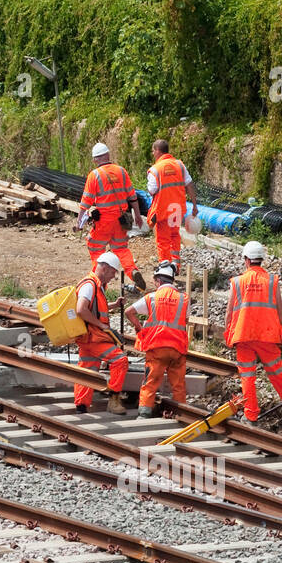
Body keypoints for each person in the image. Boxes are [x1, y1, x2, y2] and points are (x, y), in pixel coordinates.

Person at [224, 241, 282, 423]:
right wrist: (281, 333)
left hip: (243, 335)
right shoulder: (271, 281)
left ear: (246, 260)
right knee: (276, 371)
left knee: (247, 376)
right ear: (261, 260)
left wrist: (228, 335)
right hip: (267, 335)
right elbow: (280, 311)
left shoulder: (237, 282)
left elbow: (229, 312)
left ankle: (250, 415)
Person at [78, 142, 146, 291]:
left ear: (95, 159)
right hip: (121, 220)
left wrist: (79, 223)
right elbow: (132, 196)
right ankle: (132, 271)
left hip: (103, 221)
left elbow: (86, 202)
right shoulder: (121, 171)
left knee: (96, 248)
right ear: (108, 155)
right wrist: (138, 216)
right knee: (121, 249)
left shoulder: (94, 175)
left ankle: (99, 283)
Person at [126, 261, 190, 418]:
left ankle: (144, 413)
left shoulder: (152, 297)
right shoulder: (183, 299)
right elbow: (185, 321)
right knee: (179, 385)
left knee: (151, 381)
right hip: (177, 349)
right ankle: (181, 413)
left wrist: (139, 328)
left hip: (157, 347)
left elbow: (129, 312)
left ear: (159, 281)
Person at [73, 252, 130, 415]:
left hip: (88, 337)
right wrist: (100, 325)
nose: (113, 277)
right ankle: (114, 400)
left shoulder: (95, 285)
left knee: (88, 370)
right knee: (120, 360)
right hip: (94, 337)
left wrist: (113, 305)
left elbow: (95, 309)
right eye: (113, 273)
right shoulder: (90, 285)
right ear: (105, 268)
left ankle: (81, 407)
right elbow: (81, 309)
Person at [145, 139, 198, 269]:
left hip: (163, 211)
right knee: (174, 235)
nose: (153, 153)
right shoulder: (179, 165)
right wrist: (195, 205)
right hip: (177, 209)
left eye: (153, 151)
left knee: (163, 240)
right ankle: (176, 266)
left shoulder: (155, 170)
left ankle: (166, 270)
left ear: (158, 151)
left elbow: (152, 190)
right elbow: (189, 184)